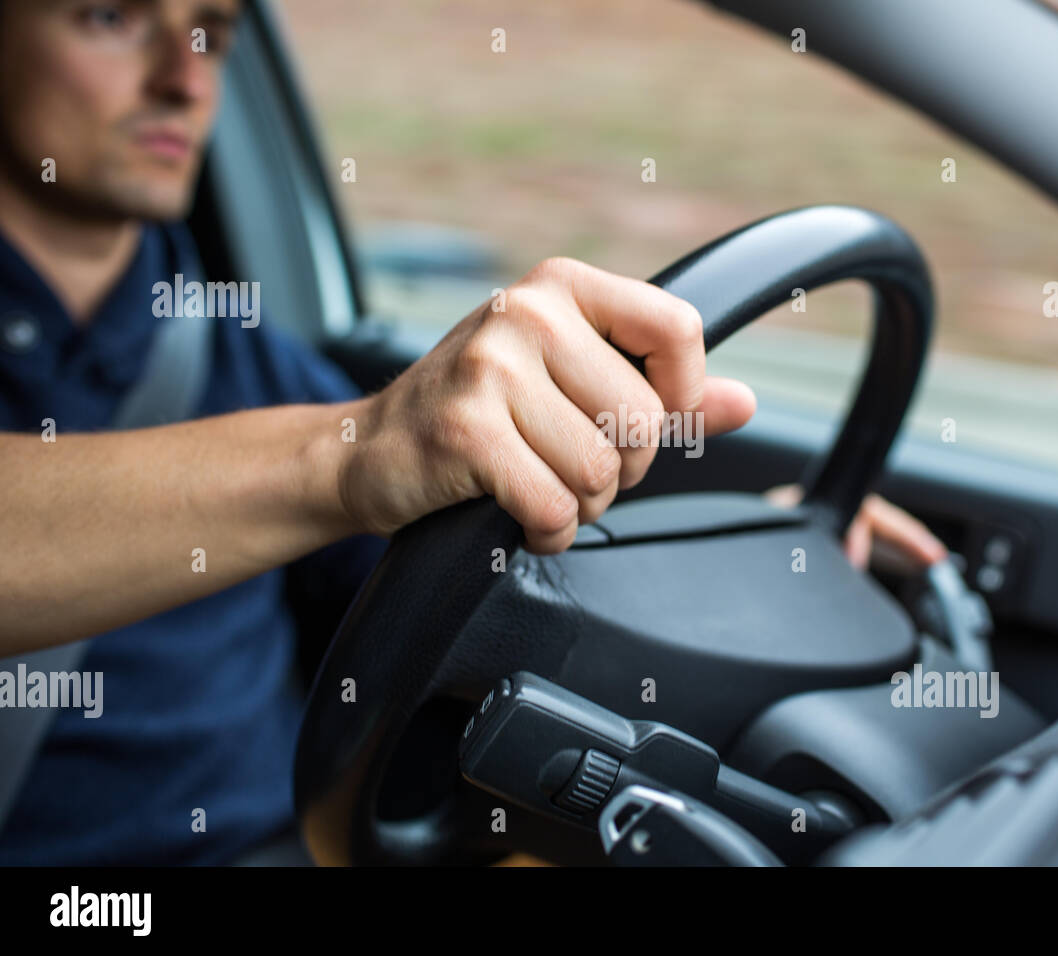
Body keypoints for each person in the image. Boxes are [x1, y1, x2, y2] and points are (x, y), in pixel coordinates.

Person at [0, 0, 945, 865]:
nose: (187, 73)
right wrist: (355, 453)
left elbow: (440, 582)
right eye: (110, 14)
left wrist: (742, 561)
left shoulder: (231, 345)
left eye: (215, 28)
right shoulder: (292, 408)